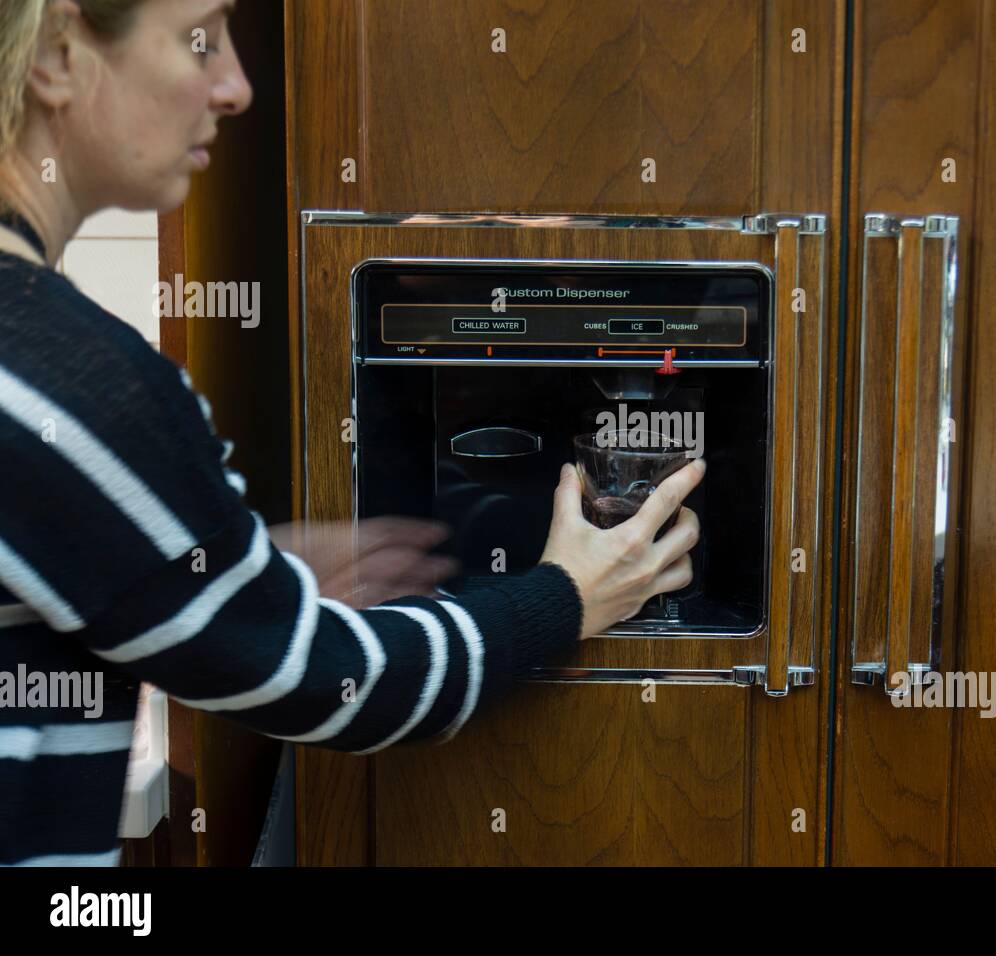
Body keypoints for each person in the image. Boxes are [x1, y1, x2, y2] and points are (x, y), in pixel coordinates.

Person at [0, 0, 703, 866]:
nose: (236, 87)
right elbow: (333, 686)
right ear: (60, 53)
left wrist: (238, 578)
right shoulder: (65, 378)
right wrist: (565, 598)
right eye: (201, 38)